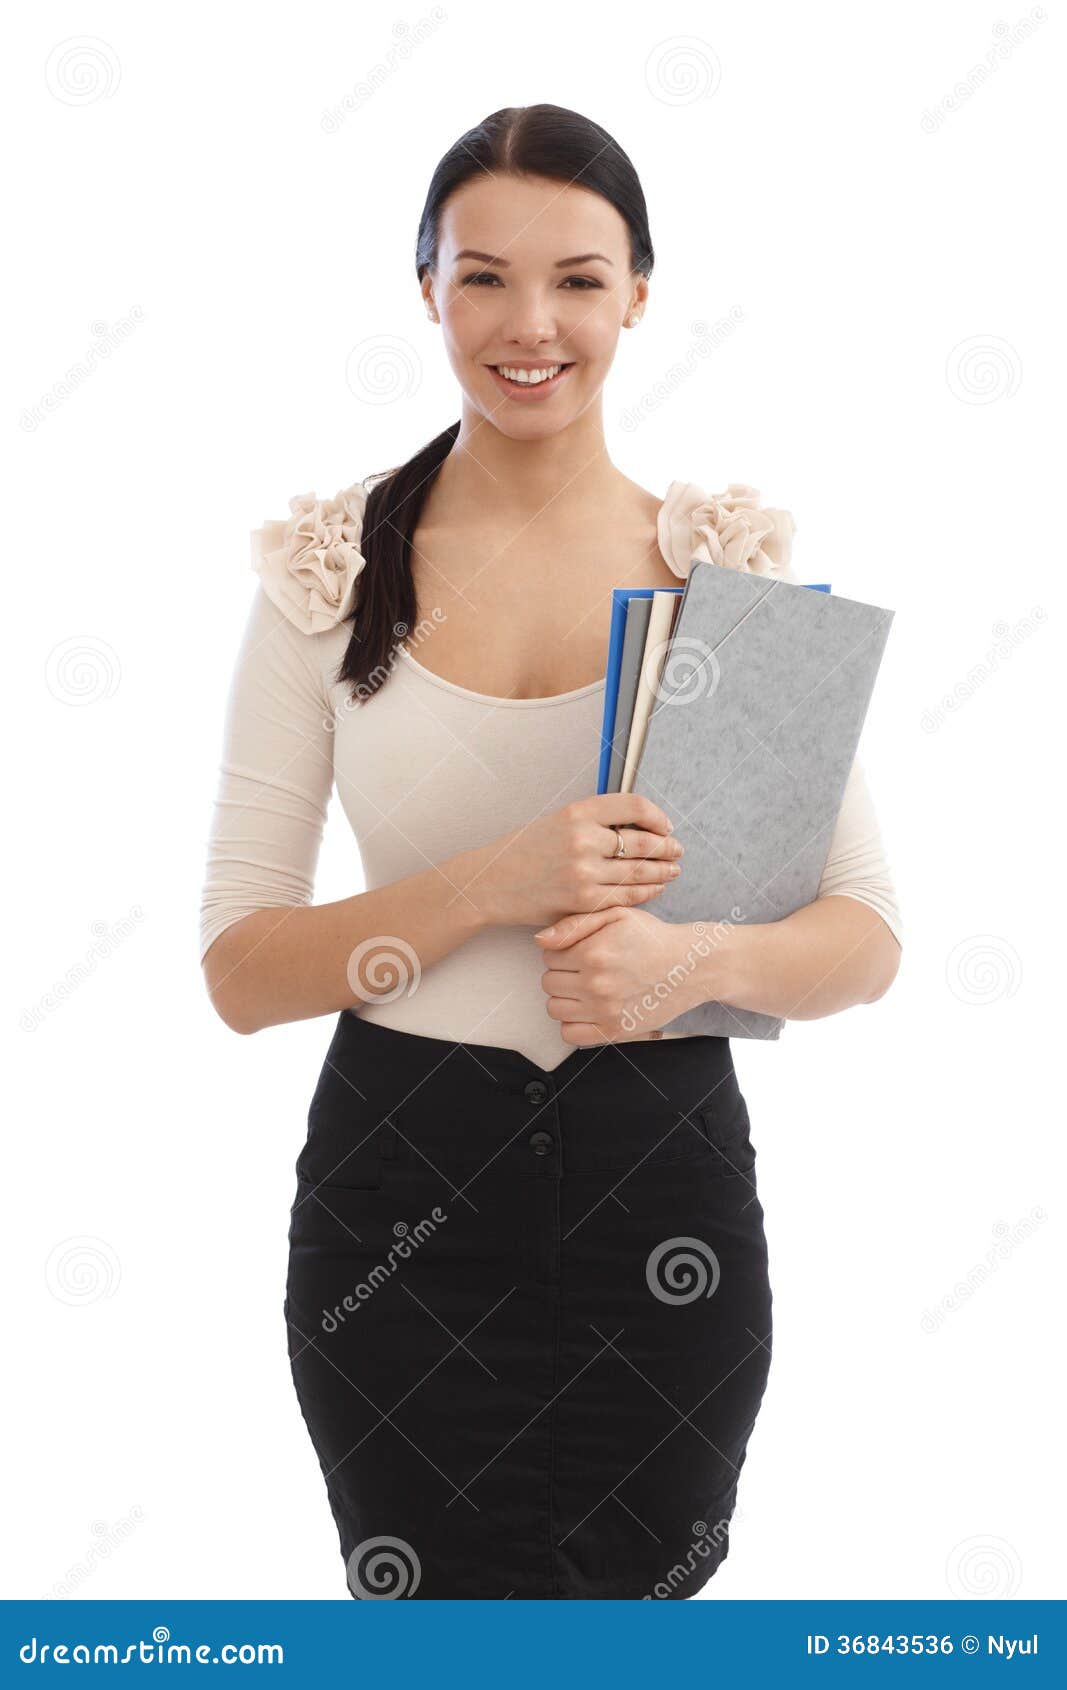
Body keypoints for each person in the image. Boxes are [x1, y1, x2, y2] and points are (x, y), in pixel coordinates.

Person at [198, 104, 902, 1600]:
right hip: (399, 1196)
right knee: (430, 1626)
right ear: (428, 292)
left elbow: (866, 932)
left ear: (639, 290)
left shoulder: (723, 571)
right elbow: (242, 971)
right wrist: (487, 886)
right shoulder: (326, 576)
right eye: (483, 279)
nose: (532, 326)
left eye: (580, 278)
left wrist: (690, 963)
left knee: (636, 1626)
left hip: (665, 1192)